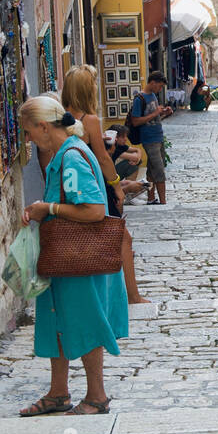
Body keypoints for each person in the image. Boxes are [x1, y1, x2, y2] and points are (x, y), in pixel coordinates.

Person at [17, 96, 129, 416]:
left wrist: (47, 208)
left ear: (43, 126)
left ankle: (97, 396)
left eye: (28, 132)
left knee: (85, 320)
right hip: (64, 257)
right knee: (59, 318)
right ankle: (58, 392)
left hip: (78, 258)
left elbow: (93, 210)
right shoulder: (65, 154)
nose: (28, 140)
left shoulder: (71, 158)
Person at [62, 67, 148, 304]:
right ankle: (132, 296)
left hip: (69, 189)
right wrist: (117, 186)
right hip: (94, 186)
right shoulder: (88, 120)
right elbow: (103, 159)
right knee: (122, 239)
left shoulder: (58, 119)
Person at [130, 71, 173, 204]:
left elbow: (154, 118)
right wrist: (155, 113)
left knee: (151, 169)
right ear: (152, 82)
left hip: (158, 136)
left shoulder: (153, 96)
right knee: (159, 170)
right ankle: (163, 201)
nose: (160, 89)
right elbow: (136, 121)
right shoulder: (140, 99)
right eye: (159, 86)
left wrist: (164, 114)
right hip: (149, 139)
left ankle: (150, 198)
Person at [105, 129, 148, 201]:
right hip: (107, 177)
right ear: (116, 138)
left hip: (112, 174)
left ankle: (131, 192)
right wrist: (136, 159)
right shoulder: (113, 148)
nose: (125, 139)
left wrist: (136, 161)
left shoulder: (120, 146)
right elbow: (135, 157)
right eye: (123, 137)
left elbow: (138, 150)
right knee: (131, 165)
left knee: (133, 164)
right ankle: (129, 193)